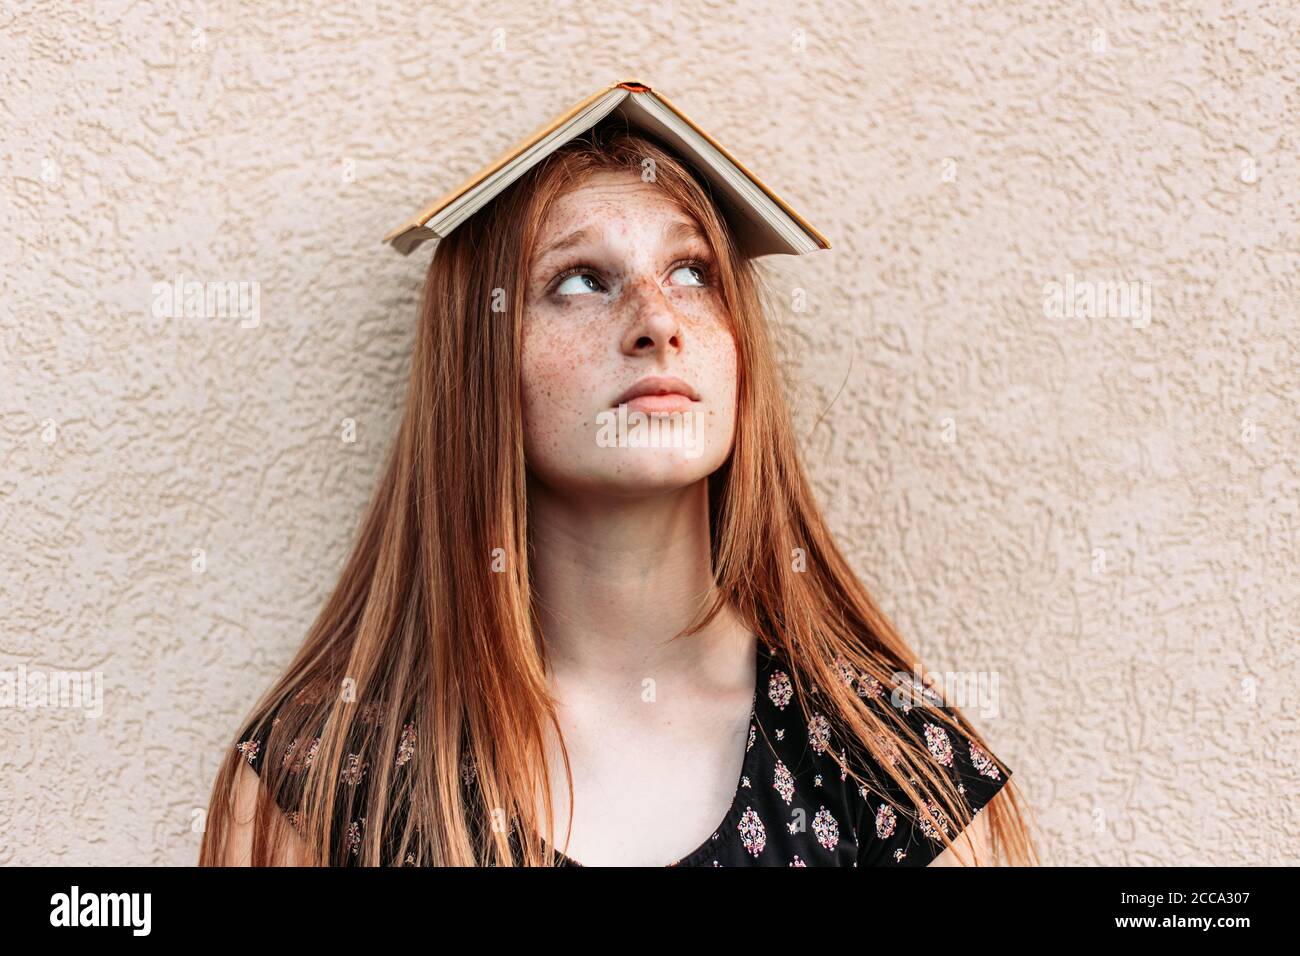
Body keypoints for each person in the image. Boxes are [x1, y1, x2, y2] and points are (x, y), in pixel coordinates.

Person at [199, 119, 1037, 867]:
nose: (656, 320)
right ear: (482, 361)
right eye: (580, 281)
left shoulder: (890, 766)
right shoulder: (334, 775)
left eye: (692, 272)